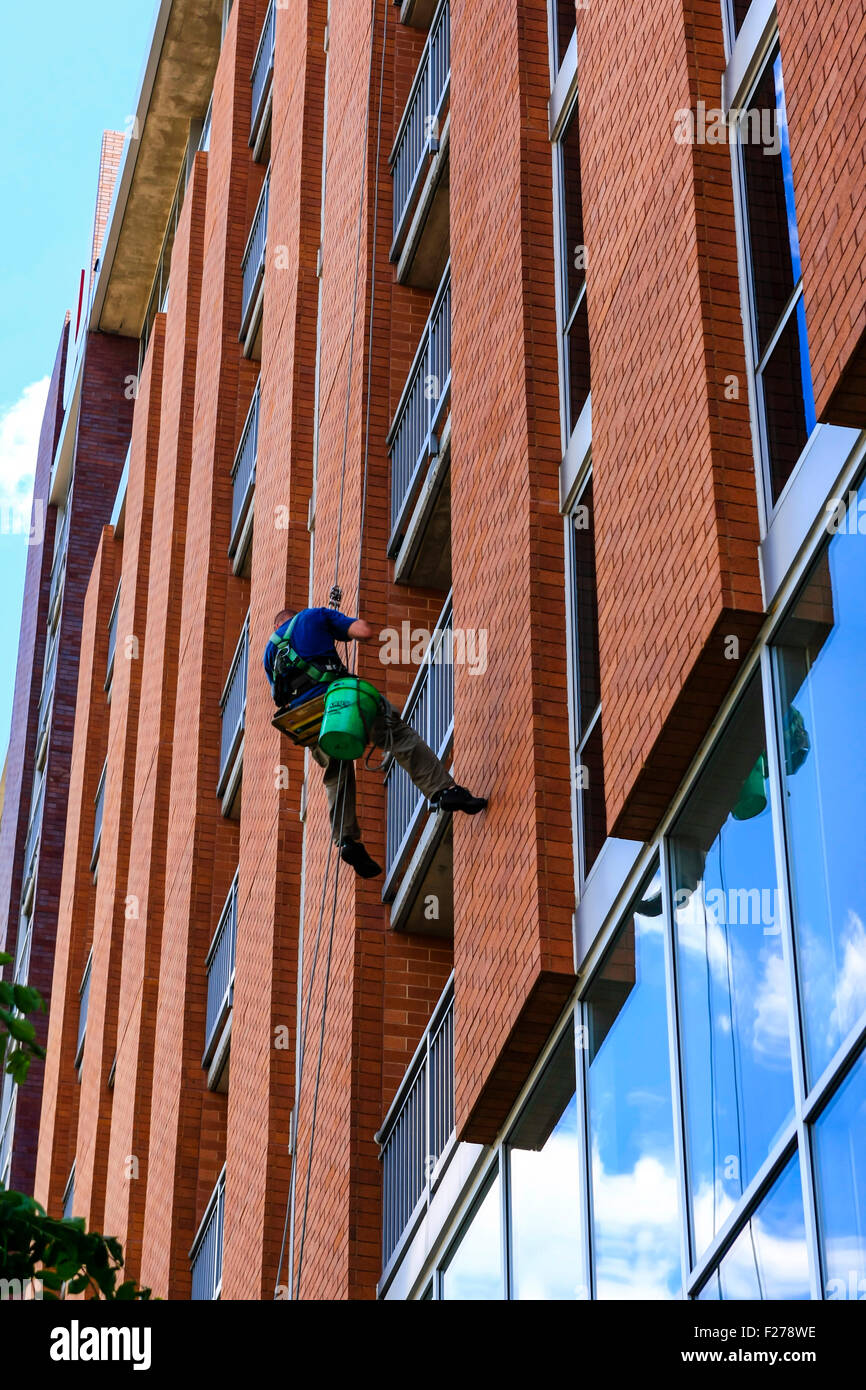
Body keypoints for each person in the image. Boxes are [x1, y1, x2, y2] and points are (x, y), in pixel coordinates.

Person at [264, 606, 487, 878]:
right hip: (339, 701)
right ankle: (442, 790)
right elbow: (362, 631)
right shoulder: (313, 616)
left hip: (309, 719)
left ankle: (346, 839)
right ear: (295, 617)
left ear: (278, 626)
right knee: (397, 733)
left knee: (337, 770)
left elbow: (279, 698)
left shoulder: (269, 652)